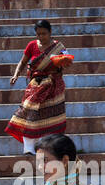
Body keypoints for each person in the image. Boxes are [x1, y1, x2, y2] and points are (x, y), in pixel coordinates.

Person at [6, 19, 74, 152]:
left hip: (54, 85)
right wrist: (16, 75)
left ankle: (53, 148)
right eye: (39, 34)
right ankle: (28, 148)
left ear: (50, 33)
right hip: (36, 84)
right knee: (28, 113)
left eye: (44, 33)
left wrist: (64, 62)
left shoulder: (59, 47)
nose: (41, 37)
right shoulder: (31, 45)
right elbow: (23, 62)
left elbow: (67, 62)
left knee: (53, 116)